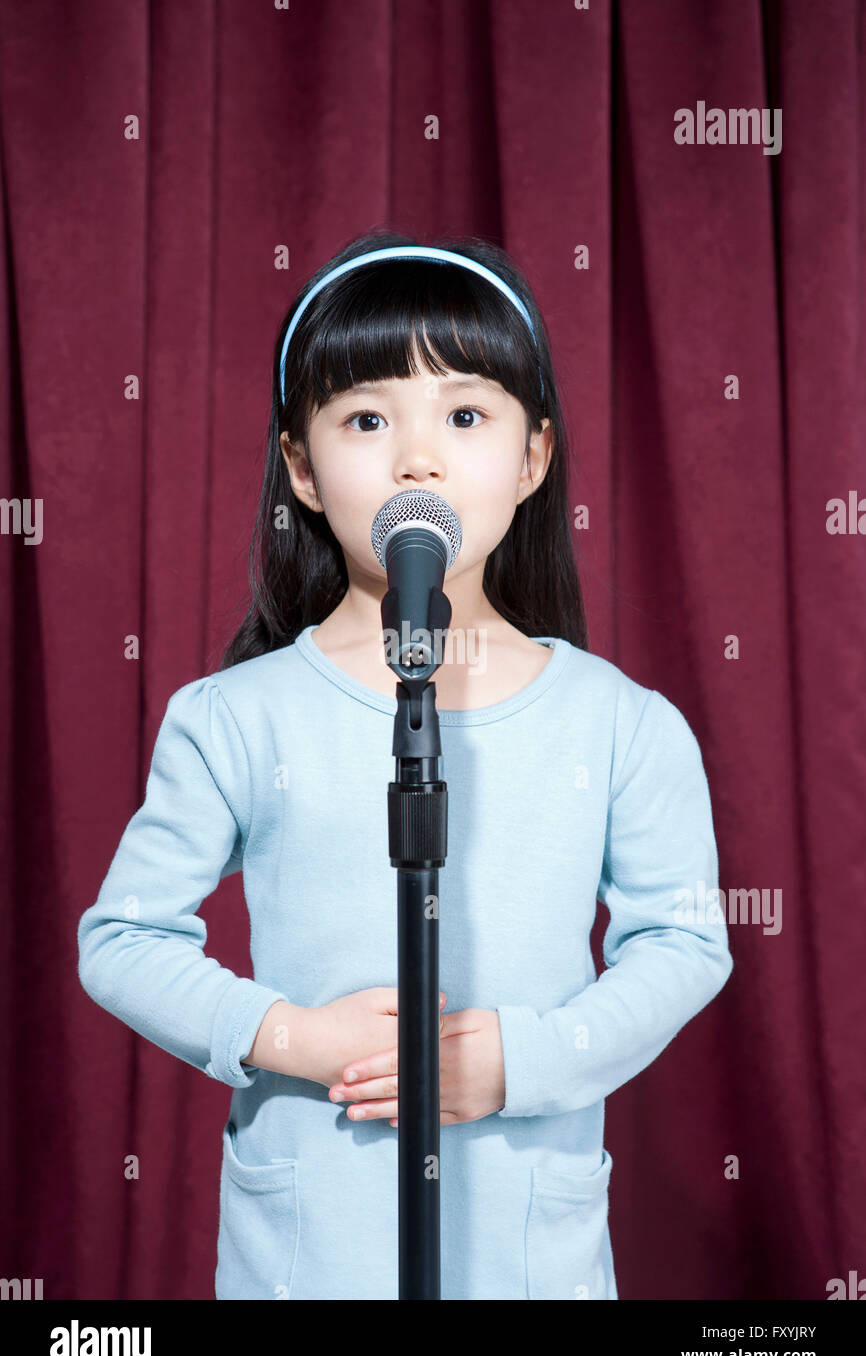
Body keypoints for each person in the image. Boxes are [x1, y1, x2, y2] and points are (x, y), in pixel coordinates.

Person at [77, 229, 734, 1300]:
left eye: (464, 416)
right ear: (300, 463)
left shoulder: (622, 724)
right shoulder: (233, 716)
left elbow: (683, 943)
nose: (415, 459)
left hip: (528, 1251)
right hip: (307, 1249)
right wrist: (292, 1034)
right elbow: (122, 938)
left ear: (531, 460)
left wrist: (523, 1059)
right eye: (367, 419)